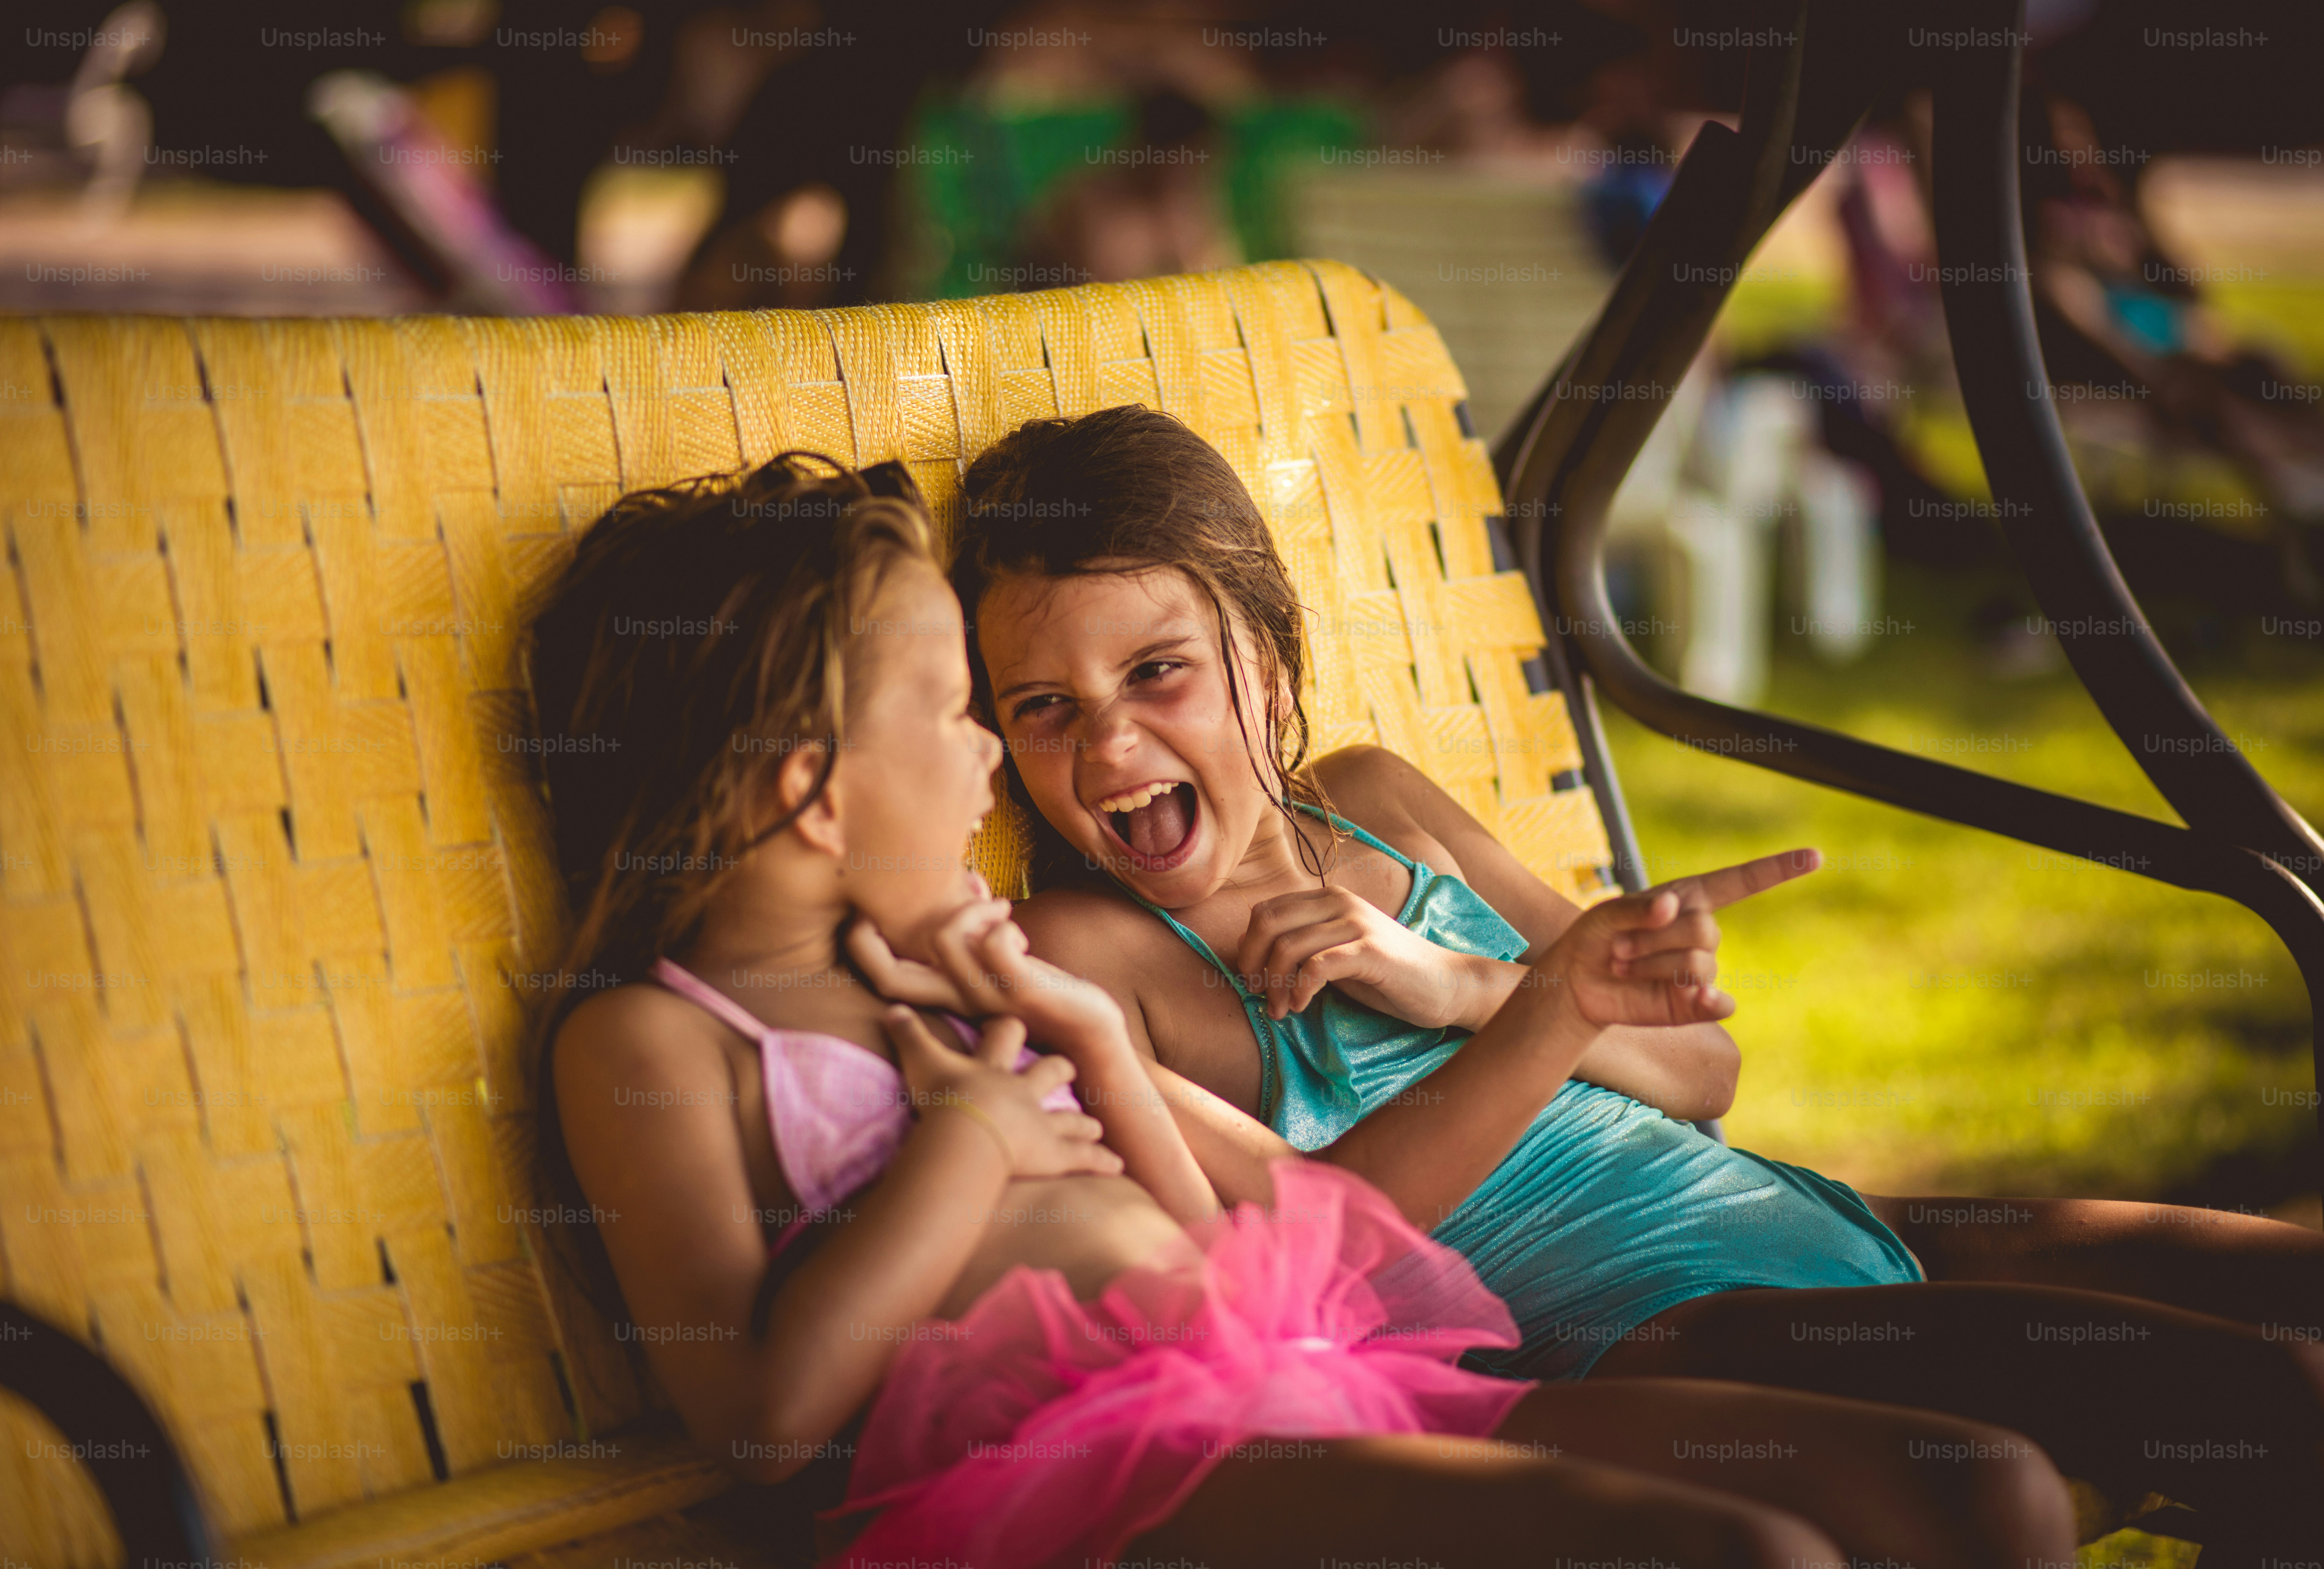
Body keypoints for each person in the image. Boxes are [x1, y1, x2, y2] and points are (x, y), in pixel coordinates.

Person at [520, 452, 2077, 1569]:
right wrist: (973, 1141)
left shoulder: (954, 974)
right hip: (1104, 1477)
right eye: (960, 714)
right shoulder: (653, 1043)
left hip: (1302, 1374)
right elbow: (762, 1425)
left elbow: (1282, 1233)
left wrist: (1092, 1052)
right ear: (814, 794)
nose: (991, 759)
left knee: (1963, 1490)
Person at [946, 403, 2324, 1556]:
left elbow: (1701, 1072)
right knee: (2253, 1393)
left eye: (1158, 672)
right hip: (1647, 1325)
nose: (1110, 747)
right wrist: (1548, 1004)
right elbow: (1327, 1246)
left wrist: (1464, 986)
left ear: (1260, 655)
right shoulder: (1088, 956)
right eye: (1044, 707)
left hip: (1804, 1215)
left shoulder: (1375, 802)